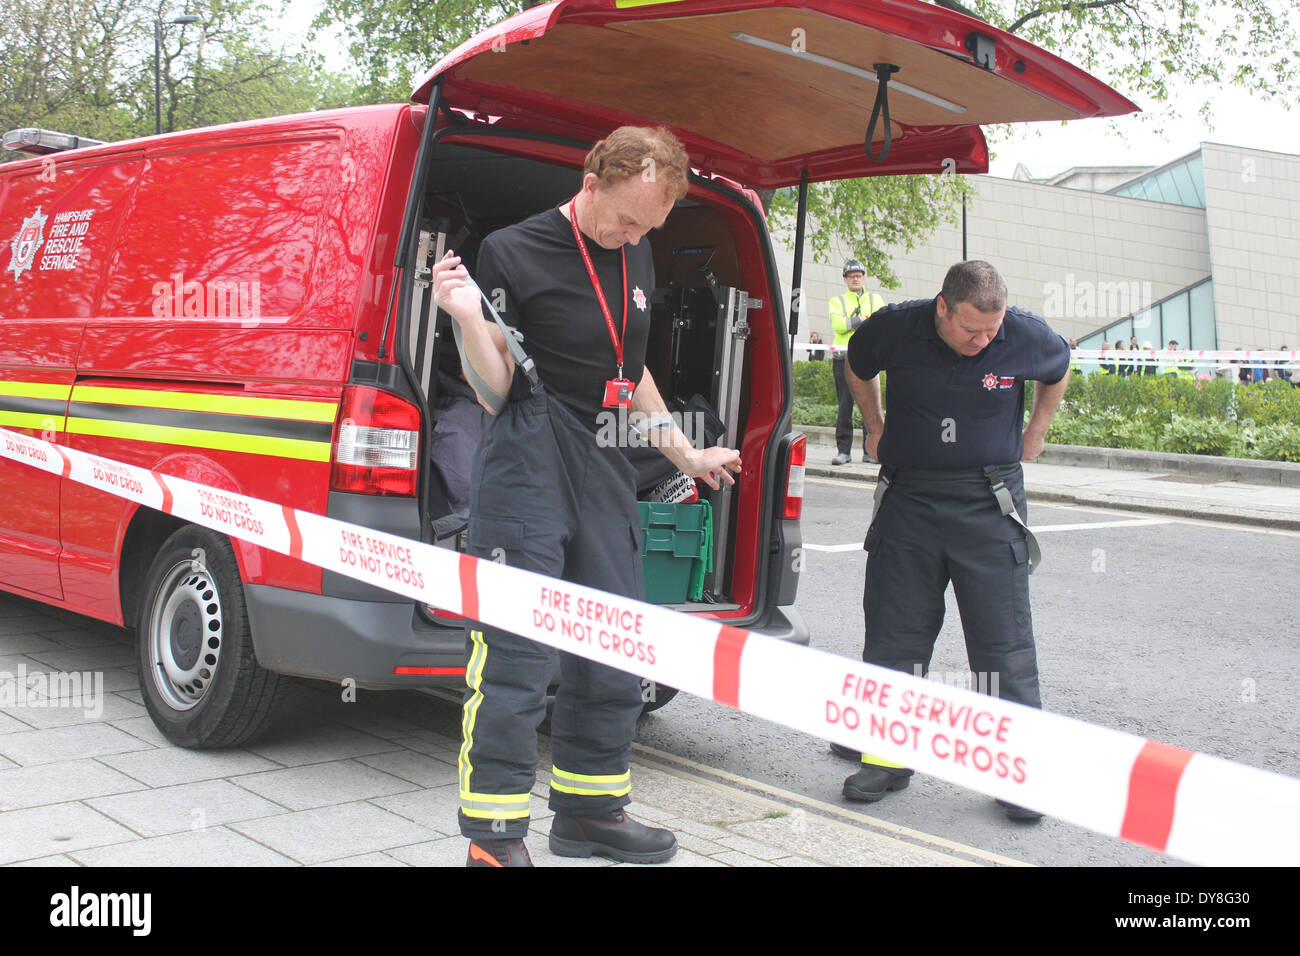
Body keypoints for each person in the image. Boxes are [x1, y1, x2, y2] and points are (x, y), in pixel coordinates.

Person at [431, 126, 742, 867]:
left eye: (649, 228)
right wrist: (470, 319)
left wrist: (687, 454)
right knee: (517, 650)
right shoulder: (514, 249)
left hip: (603, 453)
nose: (635, 235)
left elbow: (631, 377)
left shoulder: (637, 249)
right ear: (596, 179)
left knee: (615, 642)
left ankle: (590, 814)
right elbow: (495, 388)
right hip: (528, 453)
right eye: (630, 218)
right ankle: (494, 837)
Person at [836, 260, 1070, 822]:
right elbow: (857, 363)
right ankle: (886, 757)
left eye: (992, 331)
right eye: (971, 329)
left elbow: (1058, 368)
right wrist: (874, 423)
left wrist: (1034, 433)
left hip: (989, 502)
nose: (983, 340)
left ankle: (1014, 772)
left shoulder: (1022, 334)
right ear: (942, 306)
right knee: (895, 634)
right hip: (909, 498)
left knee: (1003, 645)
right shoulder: (896, 327)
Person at [829, 259, 884, 464]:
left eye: (859, 275)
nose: (855, 278)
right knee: (845, 405)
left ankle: (870, 452)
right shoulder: (837, 301)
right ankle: (844, 451)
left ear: (864, 277)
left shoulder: (875, 298)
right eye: (851, 276)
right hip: (843, 356)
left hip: (868, 356)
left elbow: (879, 320)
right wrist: (862, 320)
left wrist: (852, 322)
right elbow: (838, 324)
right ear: (845, 279)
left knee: (869, 405)